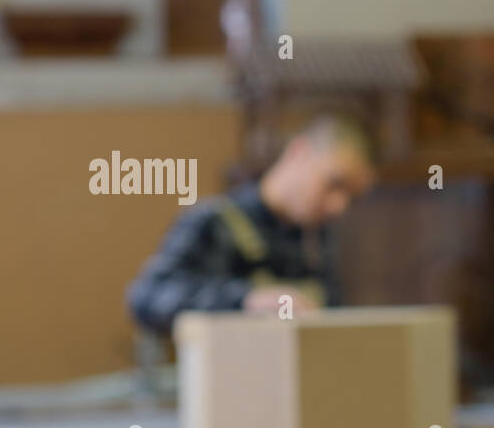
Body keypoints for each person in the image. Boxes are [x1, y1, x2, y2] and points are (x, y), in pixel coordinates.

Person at [126, 115, 376, 333]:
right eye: (334, 184)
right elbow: (147, 297)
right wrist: (246, 300)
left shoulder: (317, 239)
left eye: (351, 196)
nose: (339, 206)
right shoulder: (214, 222)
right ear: (299, 152)